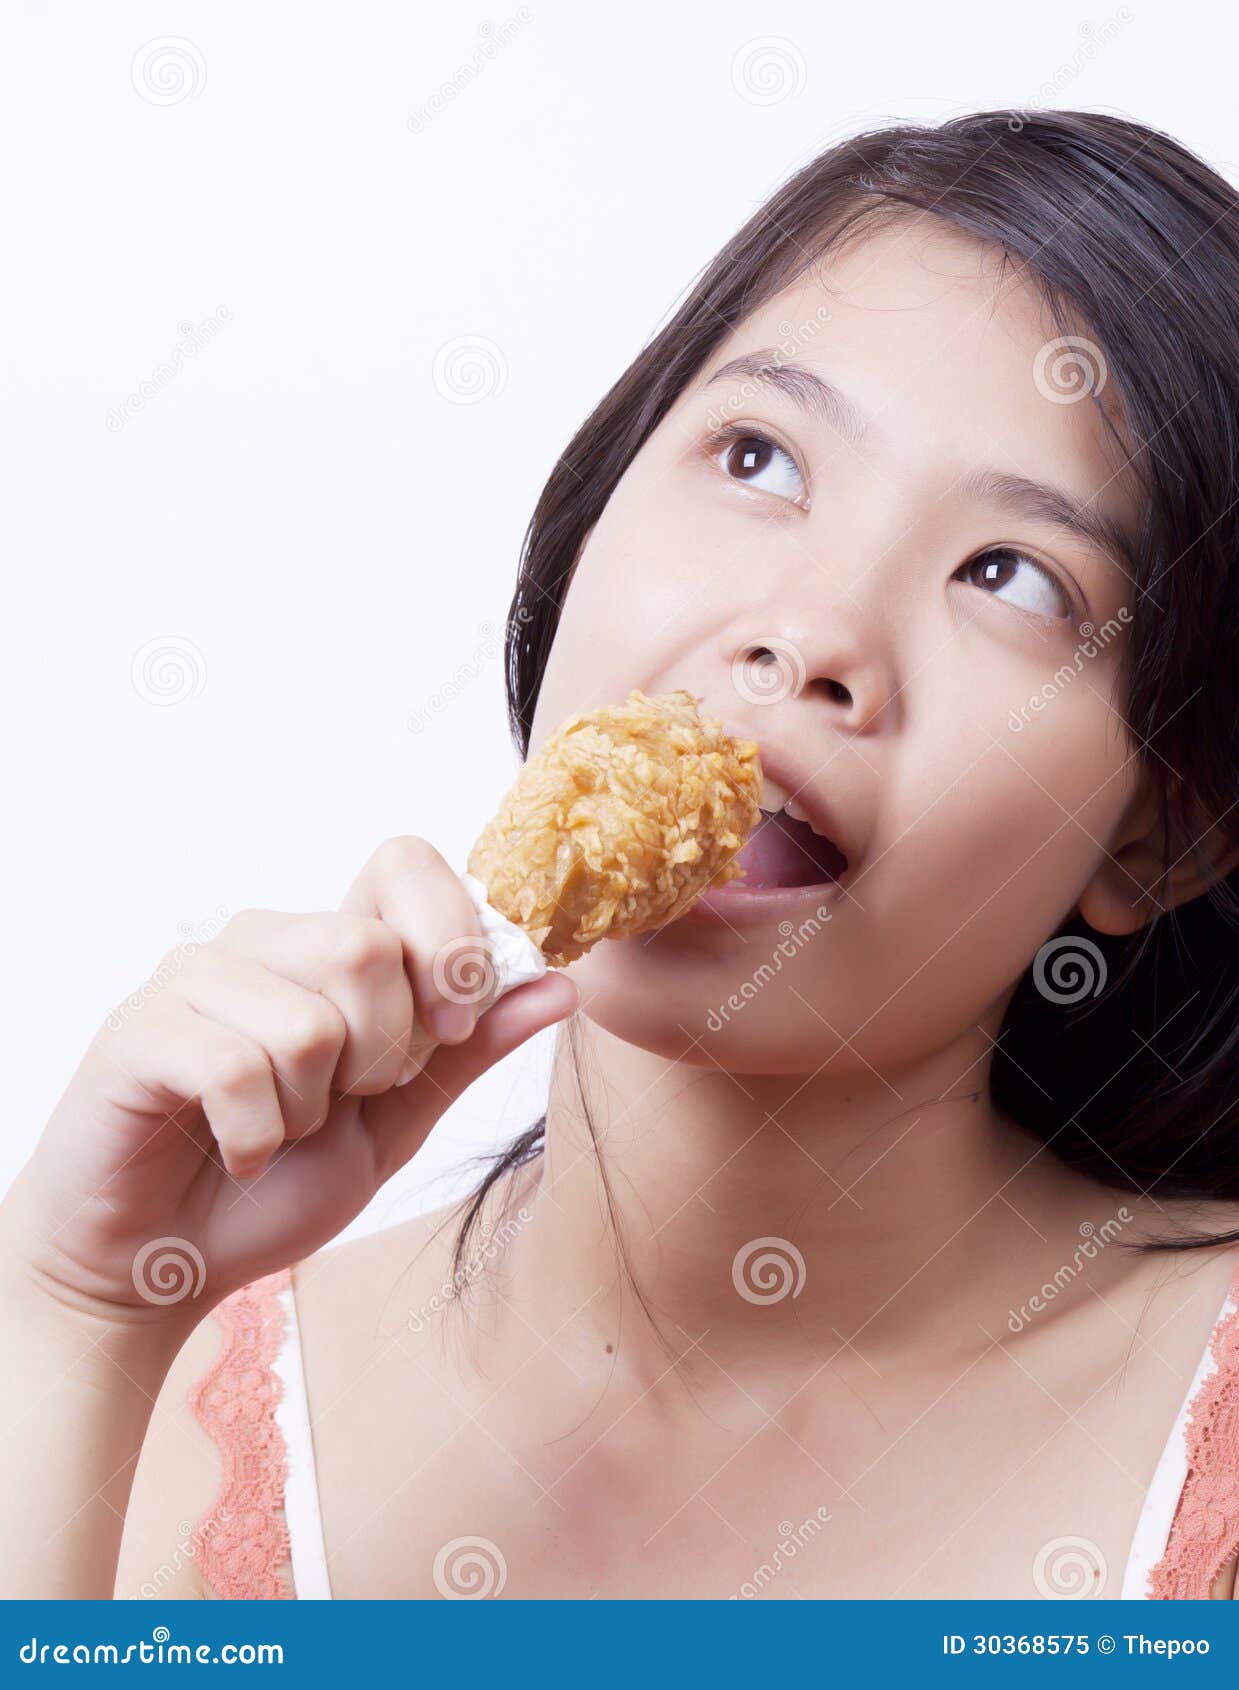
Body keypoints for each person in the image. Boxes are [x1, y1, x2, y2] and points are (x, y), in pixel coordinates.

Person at [5, 108, 1239, 1601]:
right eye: (760, 456)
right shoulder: (167, 1422)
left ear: (1163, 830)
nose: (814, 629)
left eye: (1012, 573)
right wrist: (74, 1308)